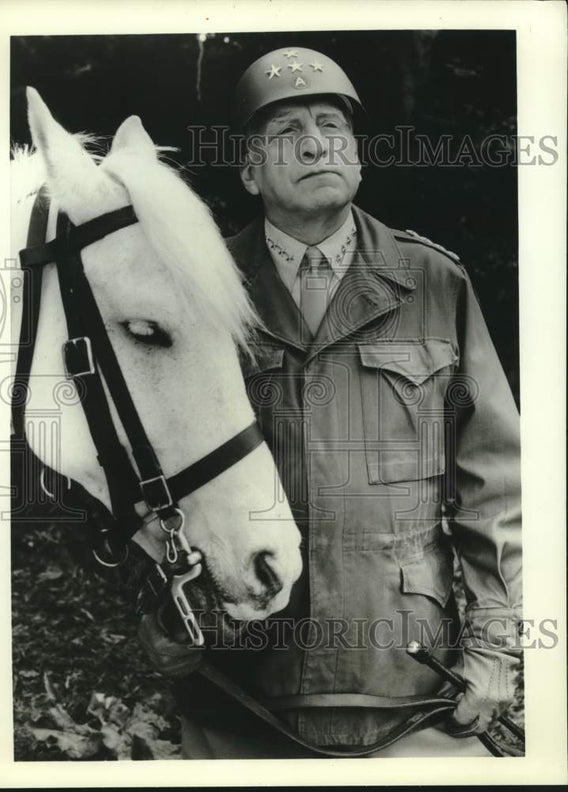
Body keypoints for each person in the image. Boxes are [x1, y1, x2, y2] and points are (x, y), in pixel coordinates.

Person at [139, 46, 522, 759]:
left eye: (331, 125)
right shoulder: (199, 290)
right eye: (286, 131)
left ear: (359, 155)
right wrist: (165, 606)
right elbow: (147, 459)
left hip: (410, 680)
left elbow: (499, 480)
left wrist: (497, 644)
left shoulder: (433, 282)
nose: (316, 142)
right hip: (238, 687)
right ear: (250, 170)